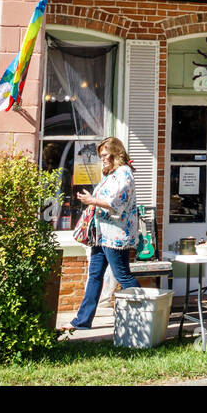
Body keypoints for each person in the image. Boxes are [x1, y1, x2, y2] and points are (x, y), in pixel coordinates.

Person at [69, 137, 142, 330]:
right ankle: (82, 321)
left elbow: (117, 203)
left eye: (104, 155)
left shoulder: (125, 173)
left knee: (123, 276)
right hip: (101, 234)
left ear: (115, 153)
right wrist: (91, 200)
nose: (102, 158)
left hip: (116, 235)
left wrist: (91, 200)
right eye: (100, 155)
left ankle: (144, 313)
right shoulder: (111, 174)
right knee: (95, 275)